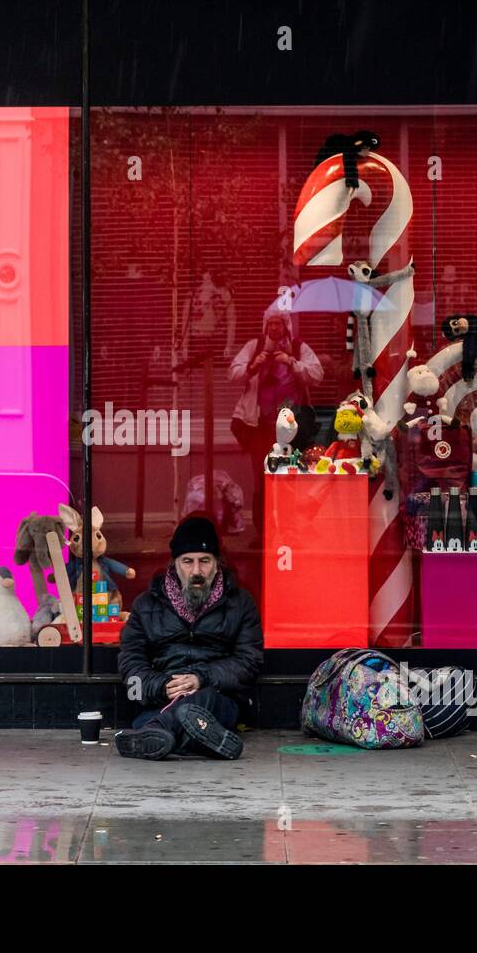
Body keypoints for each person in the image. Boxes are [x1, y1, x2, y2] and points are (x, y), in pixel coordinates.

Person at [114, 516, 264, 760]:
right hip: (160, 700)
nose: (196, 571)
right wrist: (163, 686)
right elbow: (131, 665)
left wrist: (201, 678)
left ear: (217, 564)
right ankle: (197, 741)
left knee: (197, 705)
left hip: (216, 699)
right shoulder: (145, 605)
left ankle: (158, 733)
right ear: (174, 564)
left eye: (204, 561)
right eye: (188, 562)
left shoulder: (241, 604)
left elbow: (249, 662)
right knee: (165, 714)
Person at [228, 308, 323, 533]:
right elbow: (232, 373)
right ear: (265, 325)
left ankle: (289, 530)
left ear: (286, 326)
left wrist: (292, 362)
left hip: (291, 428)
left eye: (278, 323)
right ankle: (263, 533)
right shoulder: (254, 346)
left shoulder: (298, 347)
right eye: (270, 323)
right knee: (262, 481)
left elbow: (317, 374)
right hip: (259, 426)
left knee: (289, 480)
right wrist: (253, 366)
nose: (274, 328)